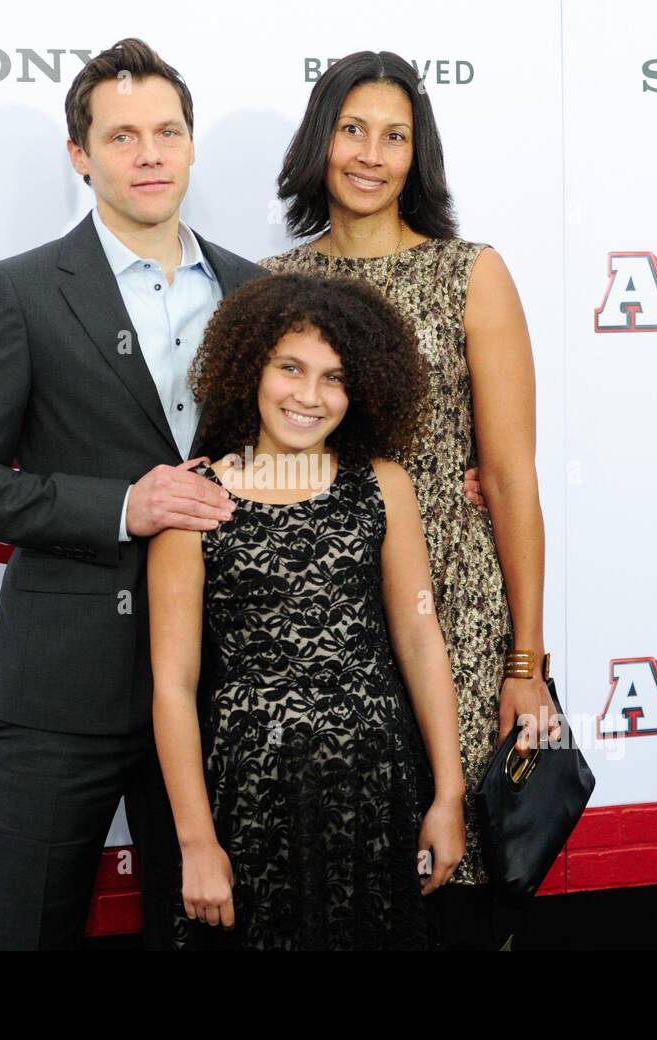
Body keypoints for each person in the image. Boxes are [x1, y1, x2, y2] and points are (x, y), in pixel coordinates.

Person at [0, 38, 268, 949]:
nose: (148, 154)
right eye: (120, 137)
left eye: (166, 132)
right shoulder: (21, 292)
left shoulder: (256, 294)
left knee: (206, 934)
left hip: (218, 682)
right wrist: (121, 506)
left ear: (191, 146)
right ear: (80, 156)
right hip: (59, 689)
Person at [258, 50, 559, 950]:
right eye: (352, 129)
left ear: (417, 157)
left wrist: (525, 664)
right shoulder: (271, 286)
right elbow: (257, 463)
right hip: (325, 616)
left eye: (396, 136)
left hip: (457, 612)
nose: (370, 154)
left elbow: (509, 478)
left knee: (461, 884)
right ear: (319, 141)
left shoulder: (473, 274)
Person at [149, 271, 467, 950]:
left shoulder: (384, 485)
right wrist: (197, 841)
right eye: (290, 368)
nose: (309, 396)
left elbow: (419, 637)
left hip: (376, 788)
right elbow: (173, 684)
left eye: (334, 377)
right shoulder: (195, 500)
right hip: (251, 796)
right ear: (249, 367)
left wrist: (448, 795)